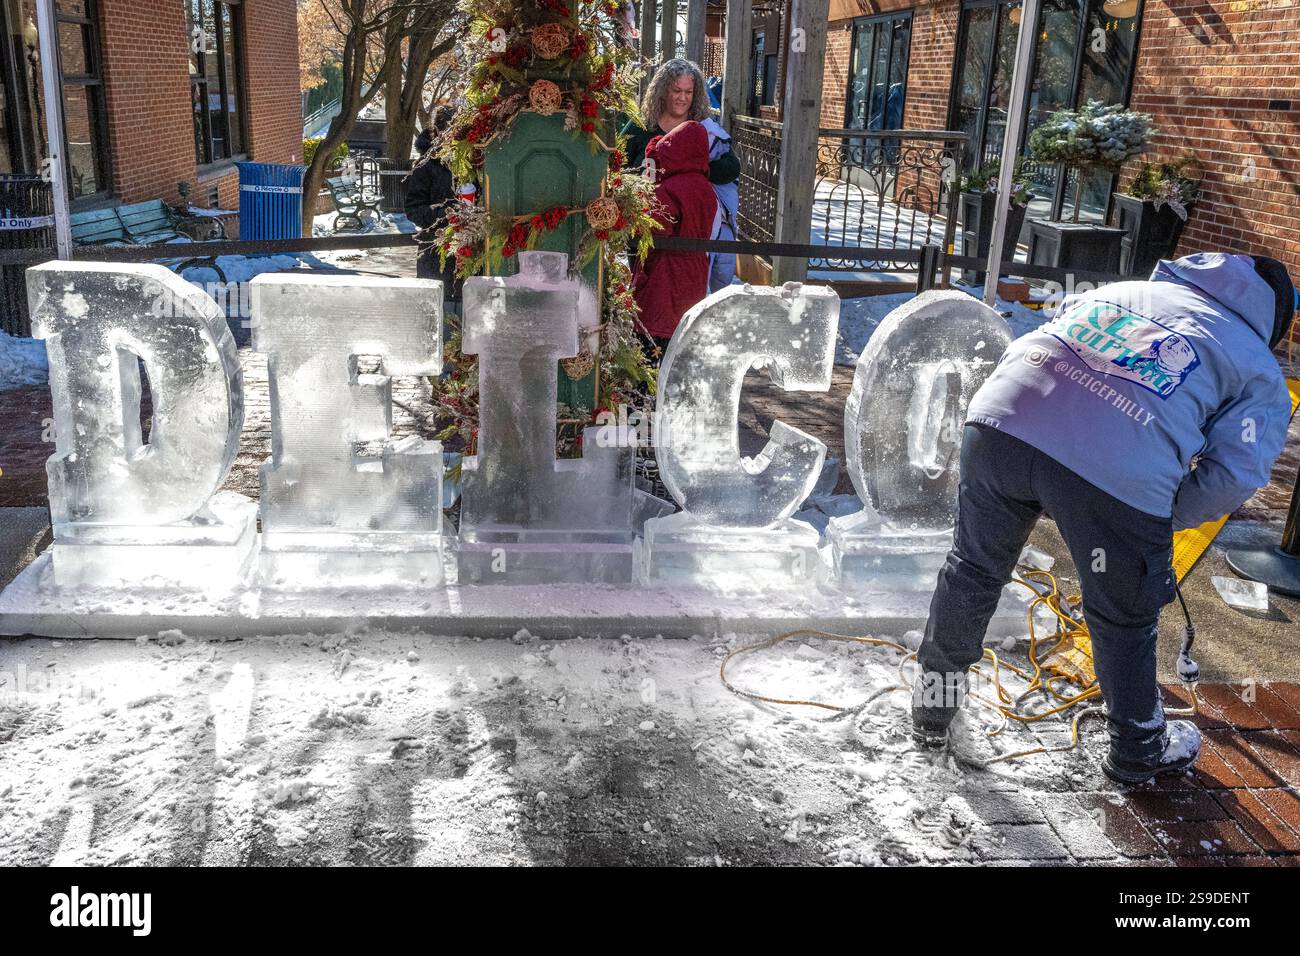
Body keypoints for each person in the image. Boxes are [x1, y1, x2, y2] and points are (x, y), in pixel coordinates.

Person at [912, 252, 1297, 784]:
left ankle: (932, 711)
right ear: (1275, 320)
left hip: (999, 422)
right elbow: (1234, 476)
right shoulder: (1255, 363)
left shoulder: (1125, 292)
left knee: (973, 571)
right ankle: (1138, 747)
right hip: (1114, 464)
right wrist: (1161, 514)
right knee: (1124, 613)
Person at [623, 59, 740, 292]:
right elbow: (618, 161)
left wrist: (695, 172)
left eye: (688, 91)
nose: (682, 97)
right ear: (663, 90)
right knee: (645, 288)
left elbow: (731, 167)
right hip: (646, 223)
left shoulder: (703, 129)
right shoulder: (641, 127)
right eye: (676, 90)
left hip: (688, 229)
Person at [631, 121, 717, 353]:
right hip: (695, 271)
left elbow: (654, 226)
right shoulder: (706, 189)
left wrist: (648, 186)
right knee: (680, 341)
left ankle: (647, 388)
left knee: (653, 341)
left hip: (665, 273)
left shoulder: (668, 188)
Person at [404, 106, 462, 310]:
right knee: (438, 314)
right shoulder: (426, 165)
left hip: (468, 256)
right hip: (435, 256)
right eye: (449, 131)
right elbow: (412, 209)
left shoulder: (473, 162)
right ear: (437, 132)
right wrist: (443, 215)